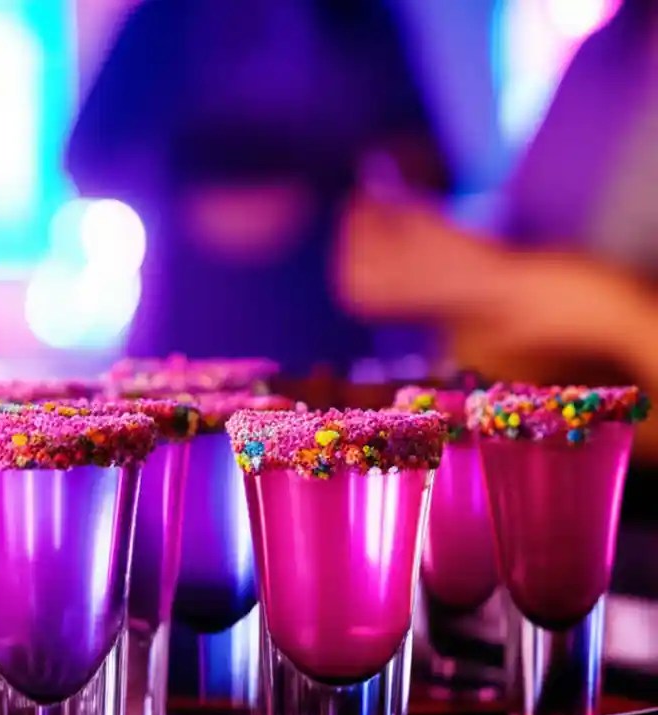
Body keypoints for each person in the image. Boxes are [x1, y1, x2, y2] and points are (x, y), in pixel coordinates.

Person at [337, 0, 658, 462]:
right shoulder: (605, 53)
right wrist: (423, 253)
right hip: (544, 469)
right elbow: (518, 252)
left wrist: (499, 281)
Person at [67, 0, 449, 373]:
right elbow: (86, 156)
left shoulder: (356, 16)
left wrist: (369, 180)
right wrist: (193, 190)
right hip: (187, 313)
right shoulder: (161, 17)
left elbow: (428, 163)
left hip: (321, 319)